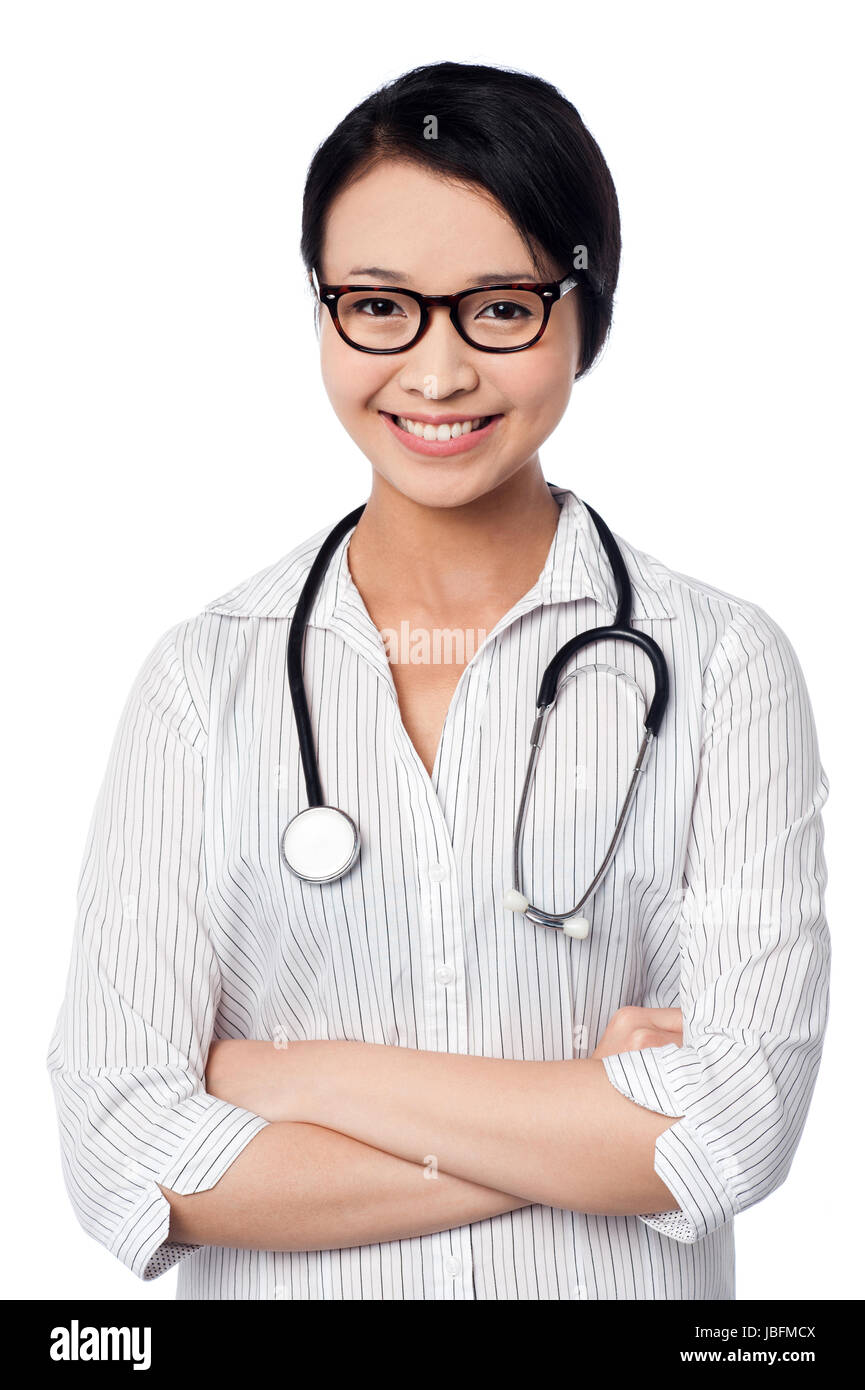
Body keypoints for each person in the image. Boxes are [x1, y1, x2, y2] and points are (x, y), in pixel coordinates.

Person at [46, 60, 830, 1301]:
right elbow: (124, 1162)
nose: (436, 370)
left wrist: (305, 1076)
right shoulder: (204, 681)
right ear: (322, 309)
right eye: (378, 305)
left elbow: (734, 1125)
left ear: (585, 308)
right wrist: (597, 1135)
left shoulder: (722, 667)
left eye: (499, 308)